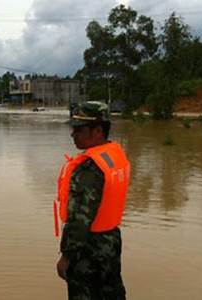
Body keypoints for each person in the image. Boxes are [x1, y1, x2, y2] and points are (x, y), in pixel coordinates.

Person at [54, 101, 130, 300]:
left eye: (78, 130)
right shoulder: (115, 155)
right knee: (112, 292)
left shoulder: (90, 168)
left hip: (89, 250)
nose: (73, 135)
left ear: (97, 131)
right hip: (111, 242)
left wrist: (67, 256)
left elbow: (80, 219)